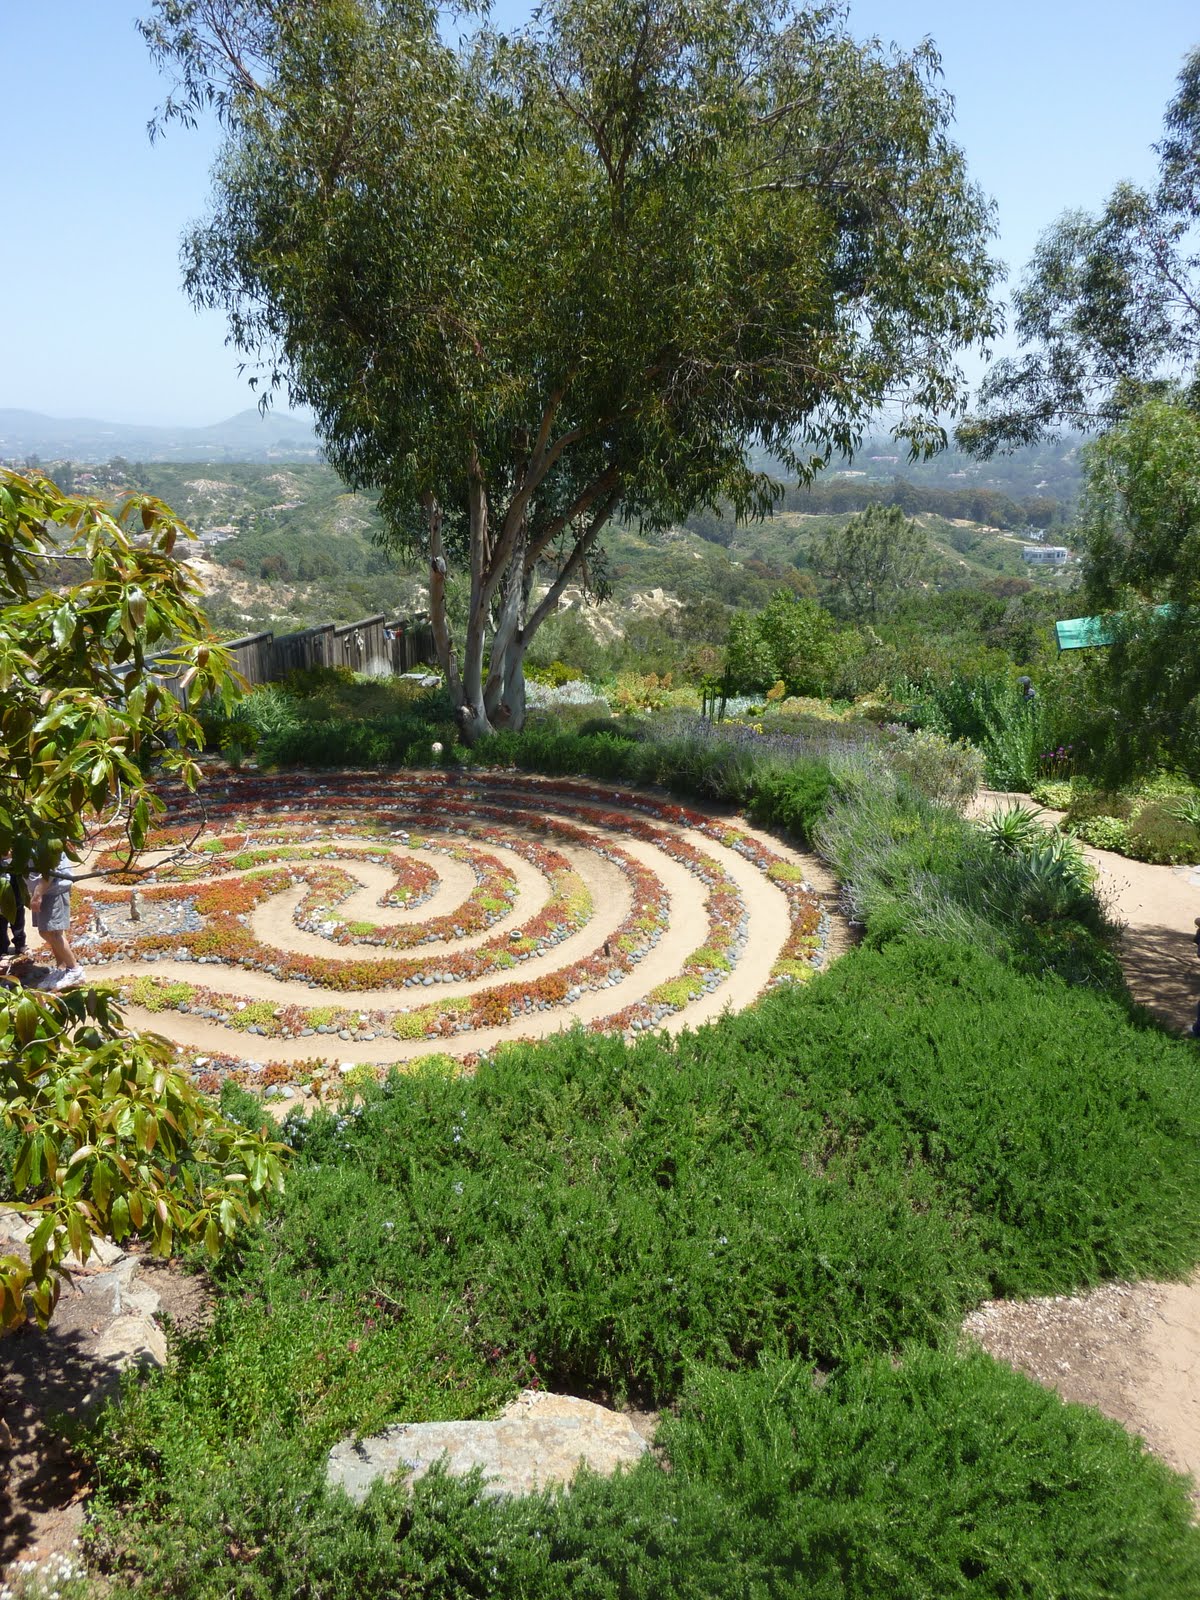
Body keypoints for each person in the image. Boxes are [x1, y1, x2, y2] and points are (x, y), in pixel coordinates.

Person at [28, 852, 84, 991]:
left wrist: (37, 895)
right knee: (52, 931)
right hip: (44, 890)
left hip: (52, 890)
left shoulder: (45, 838)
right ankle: (62, 969)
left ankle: (75, 970)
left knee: (51, 933)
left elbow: (51, 869)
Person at [0, 862, 26, 961]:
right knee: (1, 925)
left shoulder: (14, 860)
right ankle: (2, 949)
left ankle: (20, 945)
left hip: (16, 898)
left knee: (18, 923)